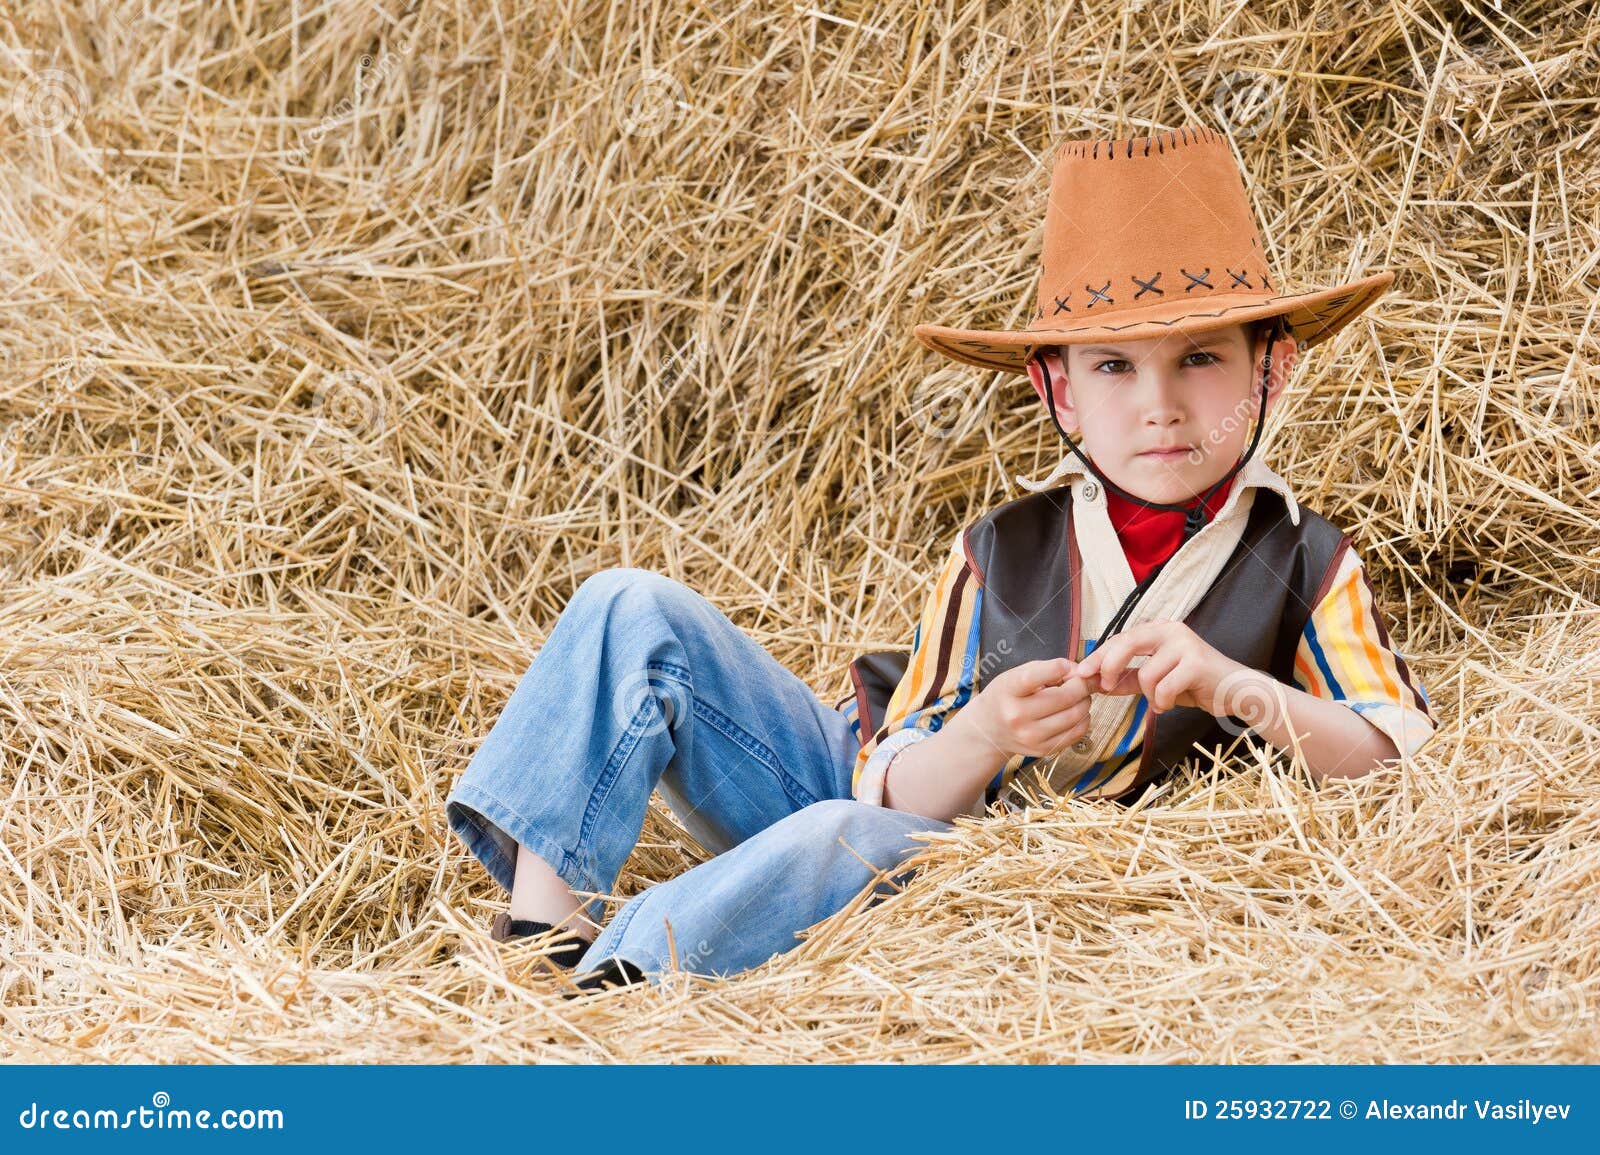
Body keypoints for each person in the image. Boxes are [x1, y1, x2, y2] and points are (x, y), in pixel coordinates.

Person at [444, 124, 1438, 994]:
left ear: (1272, 368)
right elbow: (889, 777)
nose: (1160, 404)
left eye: (1202, 358)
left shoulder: (1303, 561)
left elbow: (1390, 759)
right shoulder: (1003, 549)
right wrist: (985, 733)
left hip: (951, 860)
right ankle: (546, 936)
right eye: (1112, 367)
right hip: (880, 788)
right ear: (1057, 393)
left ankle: (630, 966)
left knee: (855, 848)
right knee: (632, 608)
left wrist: (1236, 690)